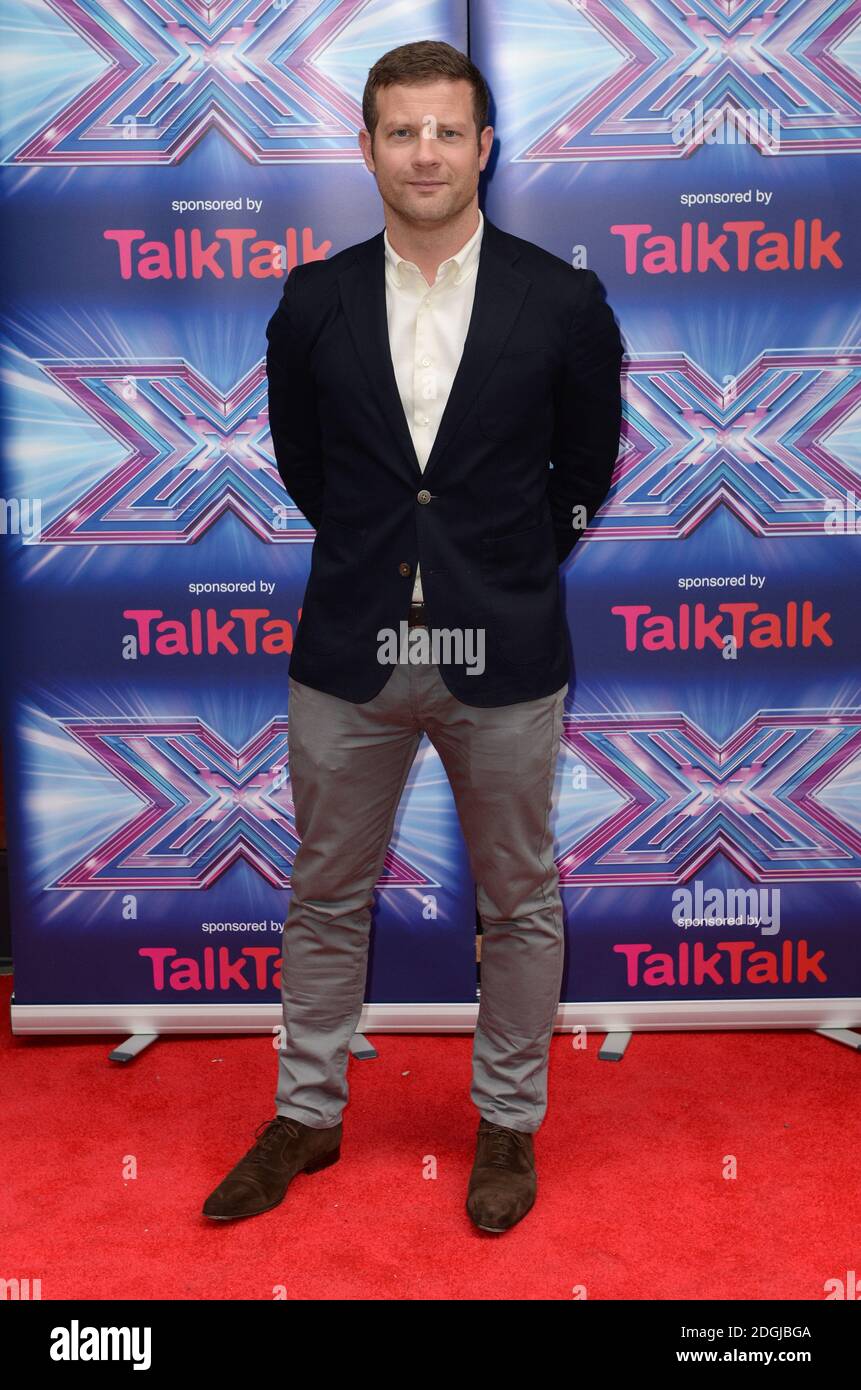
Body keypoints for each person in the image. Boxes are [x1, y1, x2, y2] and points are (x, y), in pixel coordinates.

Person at [203, 39, 624, 1233]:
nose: (426, 152)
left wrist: (504, 564)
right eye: (403, 131)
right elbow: (307, 469)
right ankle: (308, 1111)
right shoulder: (314, 299)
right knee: (325, 893)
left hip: (507, 652)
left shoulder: (563, 299)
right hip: (350, 652)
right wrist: (391, 557)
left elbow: (584, 468)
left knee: (520, 900)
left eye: (449, 130)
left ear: (485, 146)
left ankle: (507, 1119)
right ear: (368, 148)